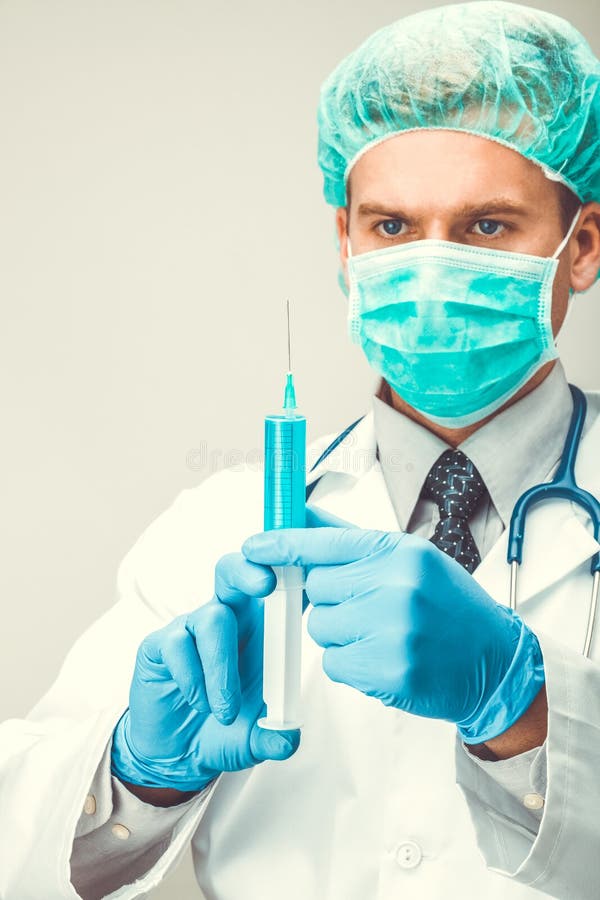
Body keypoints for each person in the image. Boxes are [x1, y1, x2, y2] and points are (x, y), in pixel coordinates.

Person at [2, 2, 600, 898]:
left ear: (580, 247)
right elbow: (23, 852)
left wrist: (529, 711)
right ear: (345, 243)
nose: (430, 269)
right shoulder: (221, 525)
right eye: (392, 228)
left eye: (486, 226)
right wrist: (138, 772)